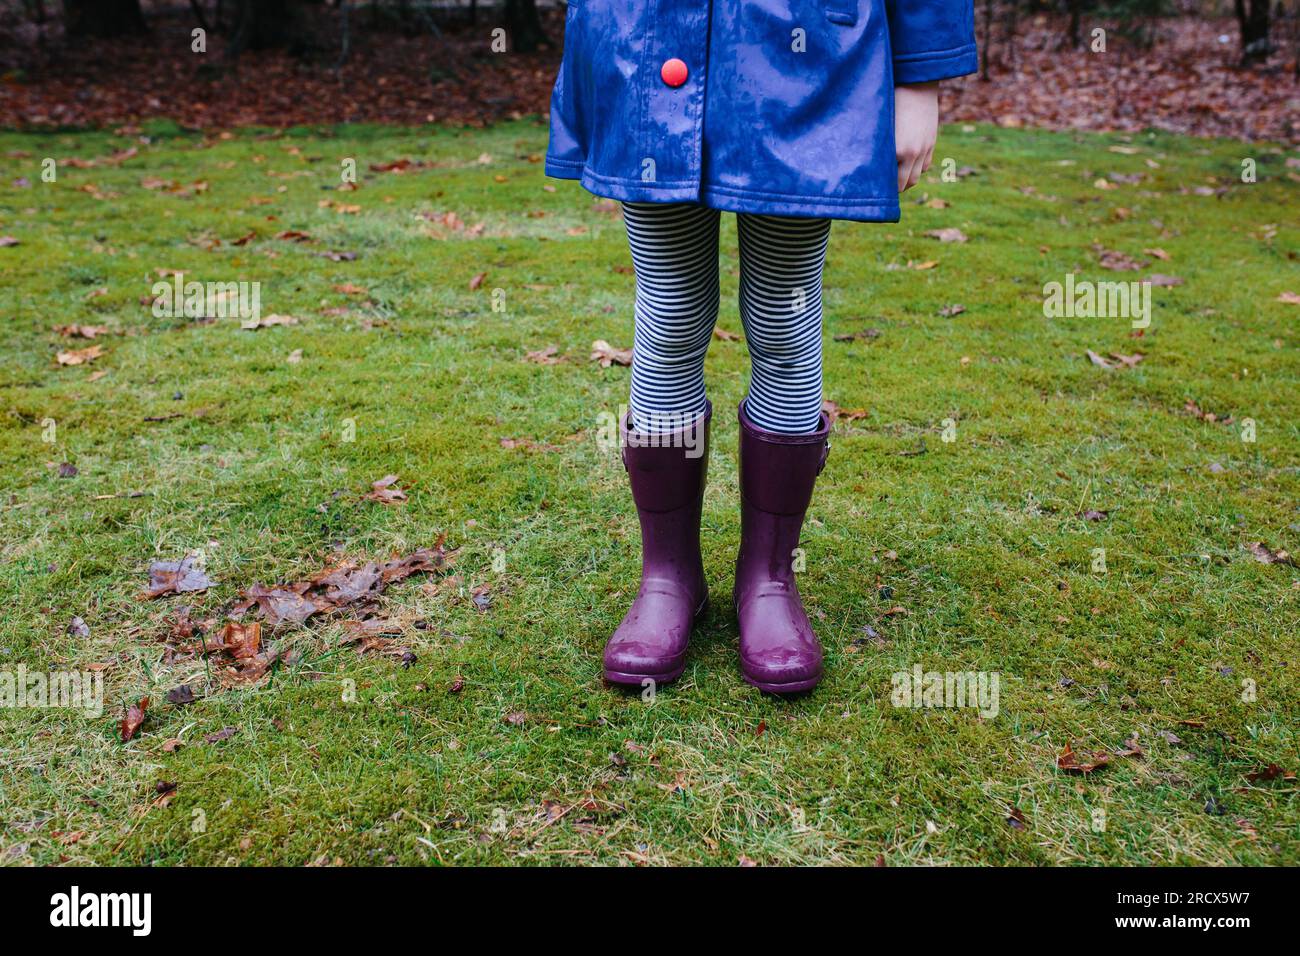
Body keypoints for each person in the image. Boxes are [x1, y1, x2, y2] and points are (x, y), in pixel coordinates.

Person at [544, 1, 978, 693]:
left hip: (799, 55)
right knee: (670, 316)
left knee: (783, 319)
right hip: (642, 38)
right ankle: (669, 575)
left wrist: (921, 78)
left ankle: (769, 580)